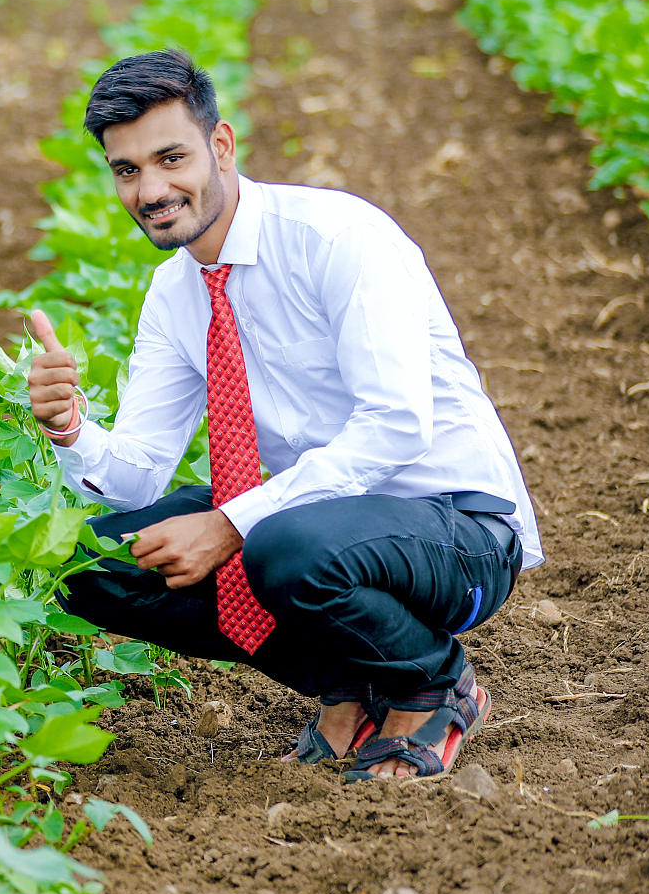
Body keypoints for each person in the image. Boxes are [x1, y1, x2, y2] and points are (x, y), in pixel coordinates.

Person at [28, 49, 538, 781]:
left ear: (222, 144)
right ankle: (352, 681)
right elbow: (138, 476)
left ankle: (431, 681)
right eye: (127, 169)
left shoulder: (337, 238)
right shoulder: (175, 294)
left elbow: (397, 425)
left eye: (171, 157)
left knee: (282, 546)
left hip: (459, 530)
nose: (152, 188)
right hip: (321, 523)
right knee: (91, 559)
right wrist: (69, 425)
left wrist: (232, 522)